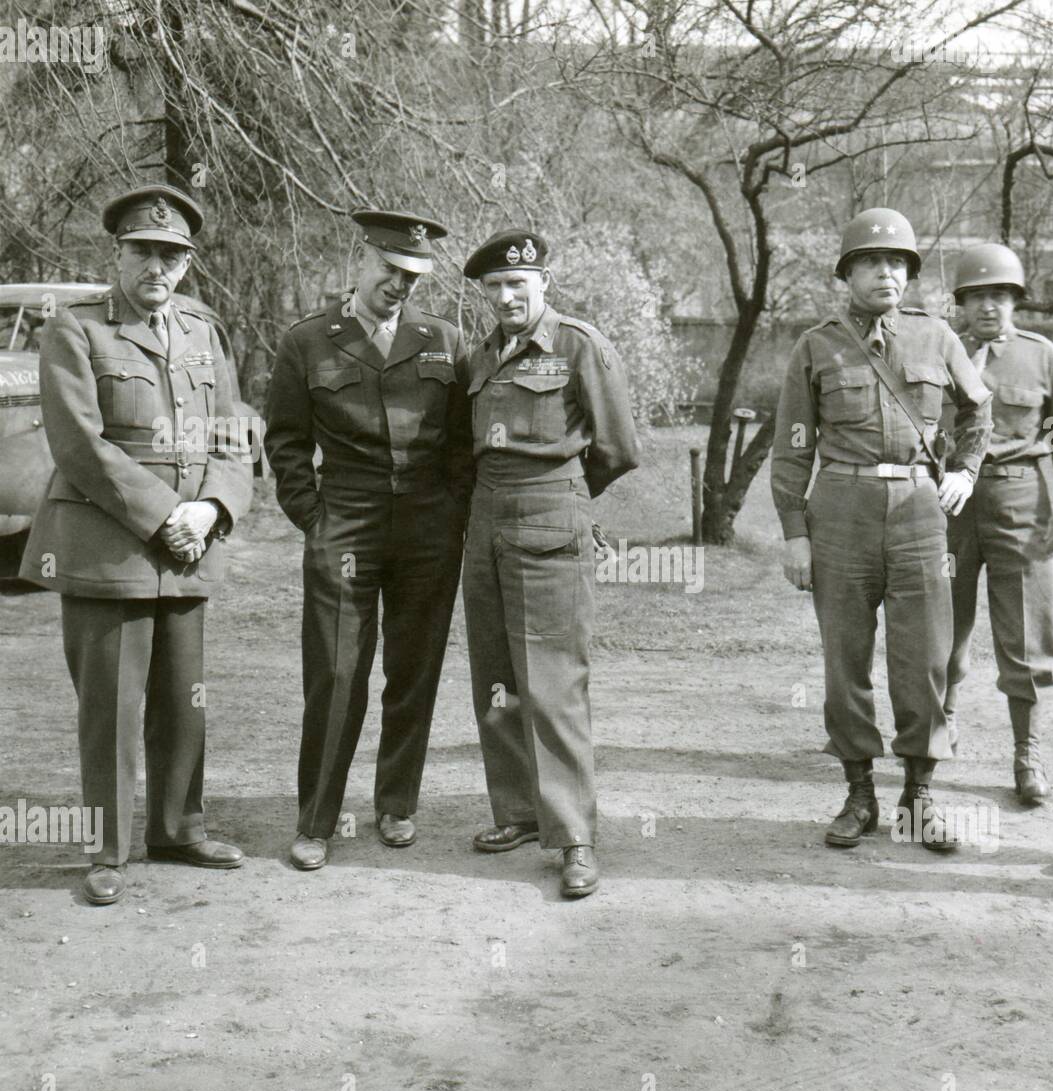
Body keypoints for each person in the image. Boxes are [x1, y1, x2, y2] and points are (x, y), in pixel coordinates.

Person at [20, 183, 253, 905]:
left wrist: (213, 506)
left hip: (189, 543)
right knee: (112, 704)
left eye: (172, 256)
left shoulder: (201, 330)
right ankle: (108, 848)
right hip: (110, 545)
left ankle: (179, 827)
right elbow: (79, 447)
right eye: (144, 252)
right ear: (117, 253)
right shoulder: (77, 329)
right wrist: (165, 514)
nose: (158, 268)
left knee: (186, 699)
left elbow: (233, 431)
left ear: (187, 264)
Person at [770, 208, 992, 853]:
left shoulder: (937, 337)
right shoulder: (817, 345)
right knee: (845, 659)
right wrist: (794, 532)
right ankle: (858, 791)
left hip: (921, 511)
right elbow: (792, 448)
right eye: (872, 262)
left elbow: (978, 412)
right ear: (848, 274)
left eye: (898, 263)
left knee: (925, 658)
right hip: (840, 507)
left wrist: (968, 472)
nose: (887, 273)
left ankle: (919, 796)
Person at [263, 210, 473, 871]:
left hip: (427, 531)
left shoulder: (444, 340)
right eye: (389, 270)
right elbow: (286, 441)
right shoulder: (308, 341)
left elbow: (464, 444)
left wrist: (451, 515)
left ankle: (396, 804)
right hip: (344, 523)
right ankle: (317, 819)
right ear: (362, 260)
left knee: (413, 671)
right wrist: (313, 516)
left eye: (412, 276)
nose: (398, 285)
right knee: (336, 672)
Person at [461, 228, 640, 897]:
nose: (507, 297)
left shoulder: (577, 345)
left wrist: (563, 498)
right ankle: (517, 812)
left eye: (518, 284)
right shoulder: (480, 355)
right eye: (495, 287)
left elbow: (618, 447)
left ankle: (573, 837)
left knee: (555, 683)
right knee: (497, 677)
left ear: (543, 285)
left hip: (551, 516)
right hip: (485, 524)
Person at [942, 243, 1053, 804]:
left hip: (1020, 501)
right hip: (950, 504)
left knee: (1026, 634)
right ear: (962, 302)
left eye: (1000, 295)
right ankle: (940, 725)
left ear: (1015, 301)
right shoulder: (938, 350)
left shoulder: (1042, 355)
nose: (989, 307)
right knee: (941, 626)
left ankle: (1027, 754)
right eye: (978, 296)